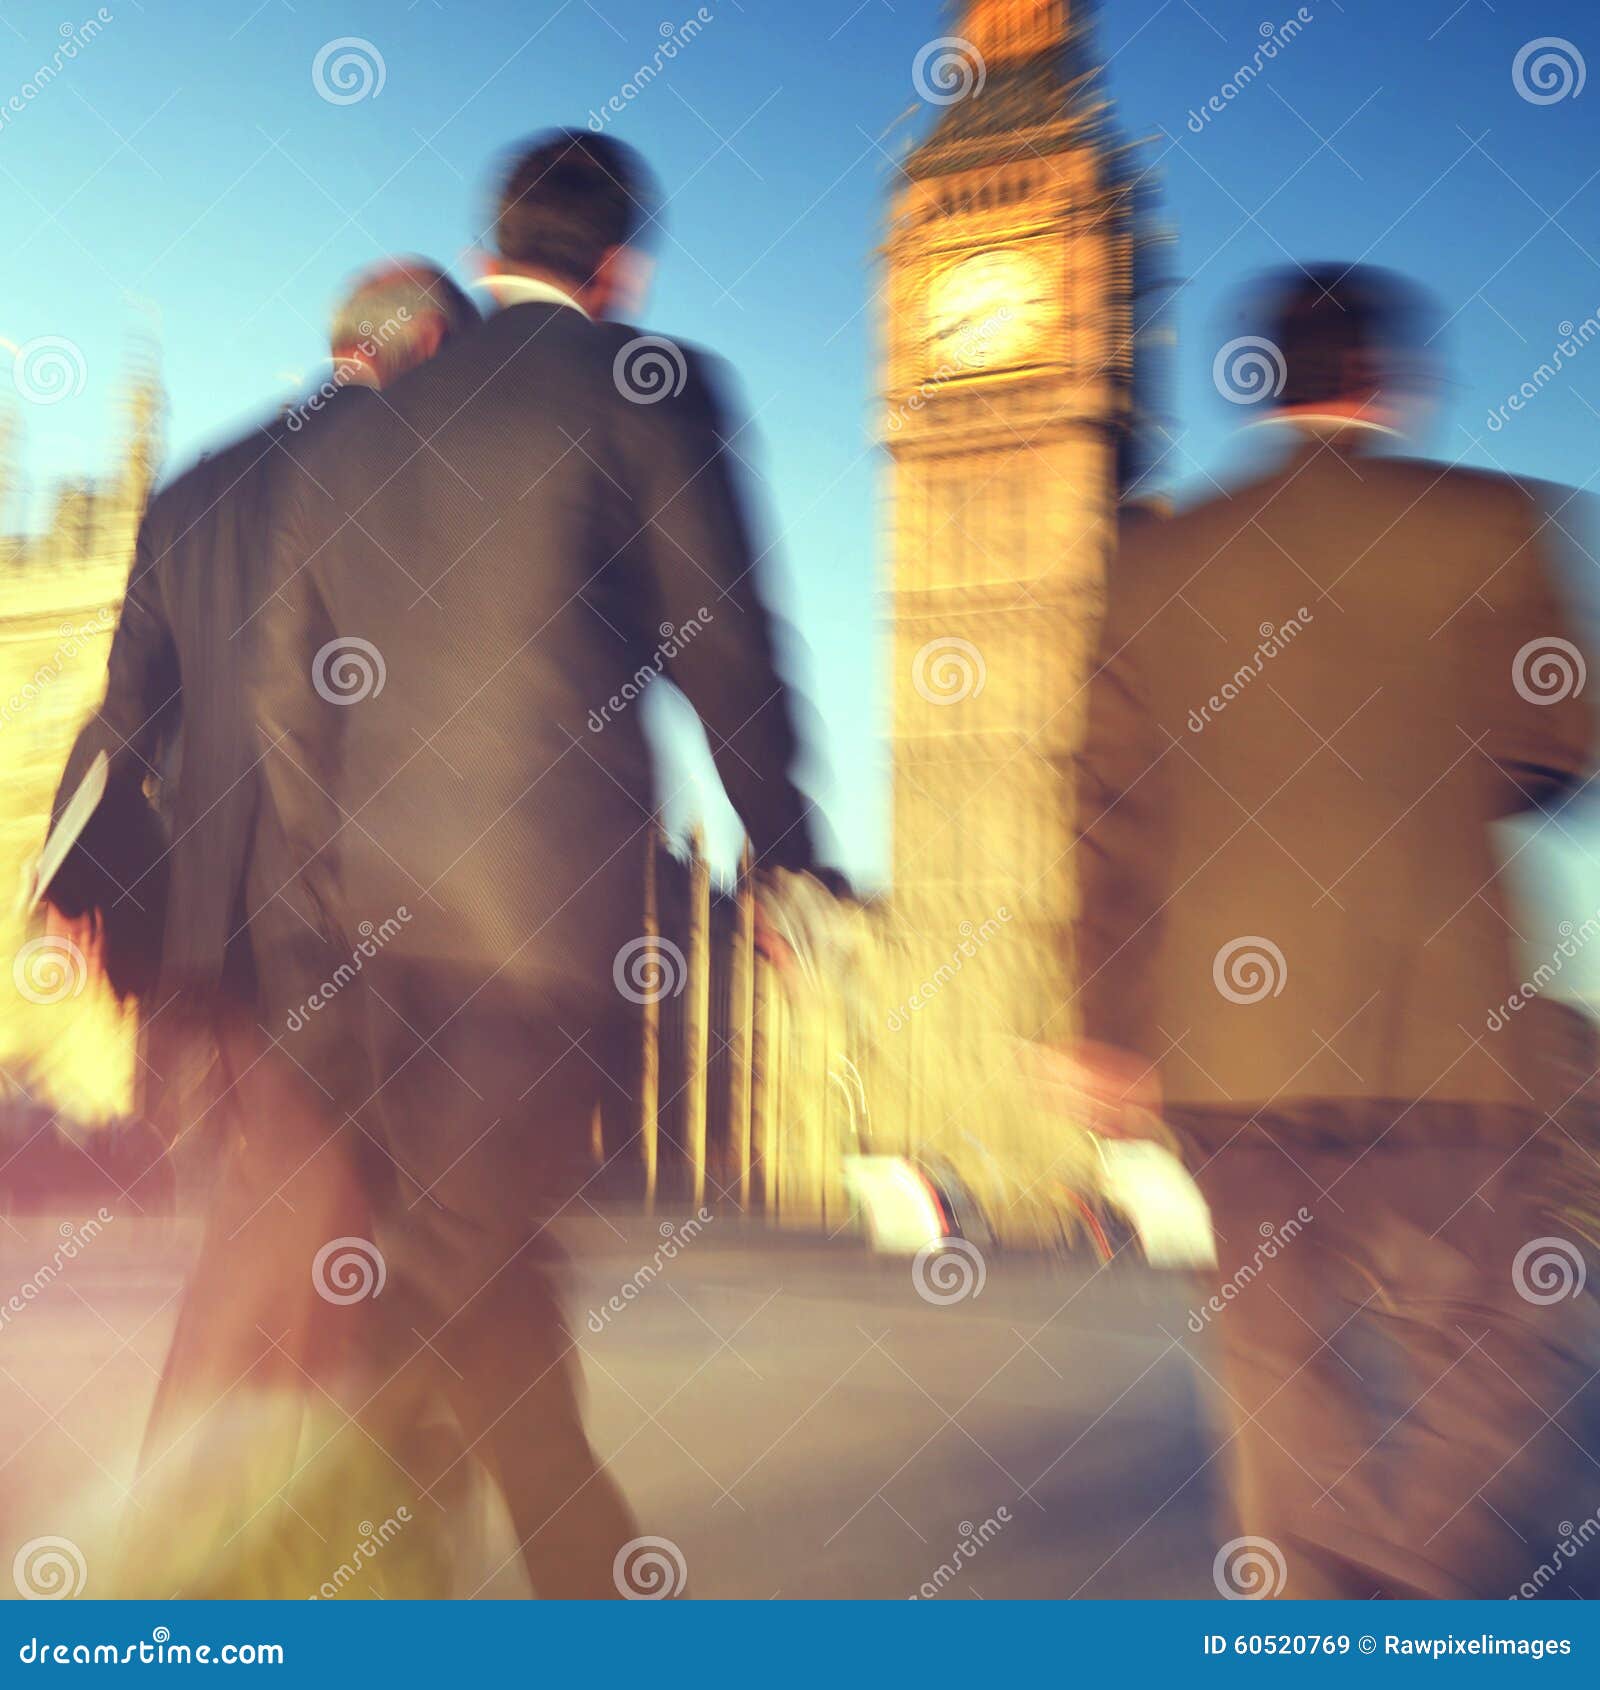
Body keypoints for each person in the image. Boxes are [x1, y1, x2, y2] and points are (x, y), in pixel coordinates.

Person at [252, 130, 828, 1599]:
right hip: (539, 929)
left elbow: (287, 705)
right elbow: (726, 640)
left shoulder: (352, 429)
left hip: (368, 938)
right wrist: (786, 854)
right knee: (471, 1272)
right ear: (621, 264)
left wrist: (318, 908)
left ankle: (383, 1570)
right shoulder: (650, 385)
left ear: (492, 239)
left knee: (448, 1267)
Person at [1075, 264, 1597, 1599]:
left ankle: (1318, 1606)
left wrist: (1104, 1028)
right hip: (1444, 1028)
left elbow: (1108, 814)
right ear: (1388, 382)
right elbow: (1559, 739)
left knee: (1273, 1359)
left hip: (1232, 1046)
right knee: (1482, 1343)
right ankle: (1419, 1588)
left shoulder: (1157, 559)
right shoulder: (1490, 524)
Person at [38, 261, 480, 1596]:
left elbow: (121, 723)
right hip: (353, 952)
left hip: (200, 963)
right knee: (283, 1278)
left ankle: (337, 1571)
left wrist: (64, 901)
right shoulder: (426, 483)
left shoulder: (199, 488)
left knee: (321, 1268)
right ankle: (157, 1594)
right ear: (432, 355)